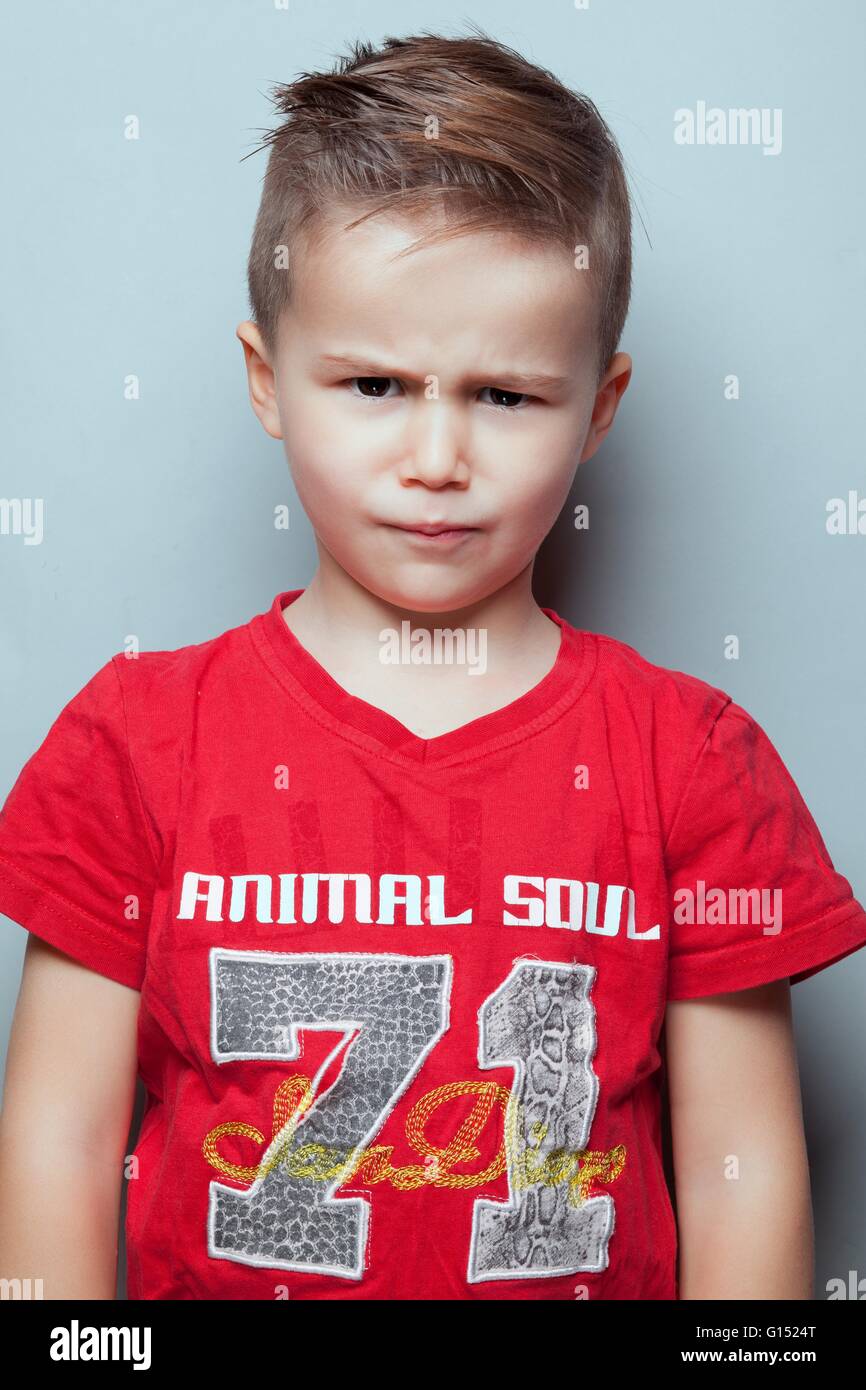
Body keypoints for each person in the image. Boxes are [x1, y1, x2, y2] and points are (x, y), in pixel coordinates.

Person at [1, 28, 865, 1302]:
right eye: (371, 384)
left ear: (597, 407)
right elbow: (62, 1146)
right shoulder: (138, 741)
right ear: (266, 380)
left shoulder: (688, 760)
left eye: (505, 396)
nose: (435, 456)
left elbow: (741, 1160)